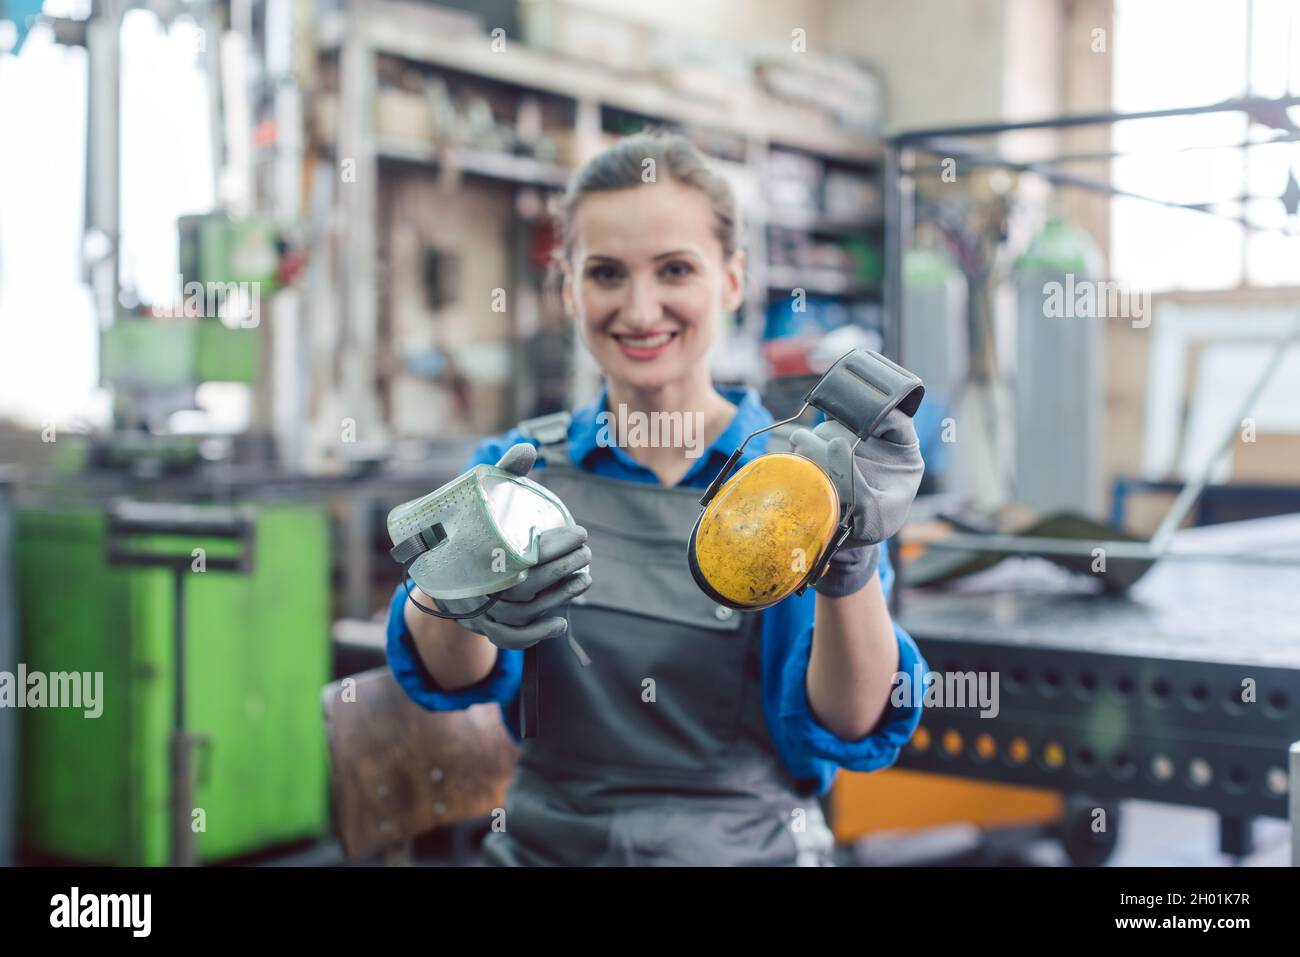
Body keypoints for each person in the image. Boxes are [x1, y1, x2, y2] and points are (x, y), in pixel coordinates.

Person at [386, 131, 928, 866]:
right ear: (570, 286)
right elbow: (448, 675)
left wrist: (851, 561)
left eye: (675, 269)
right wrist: (450, 593)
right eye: (607, 273)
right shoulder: (519, 473)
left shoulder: (799, 483)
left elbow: (853, 720)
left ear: (731, 280)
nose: (641, 310)